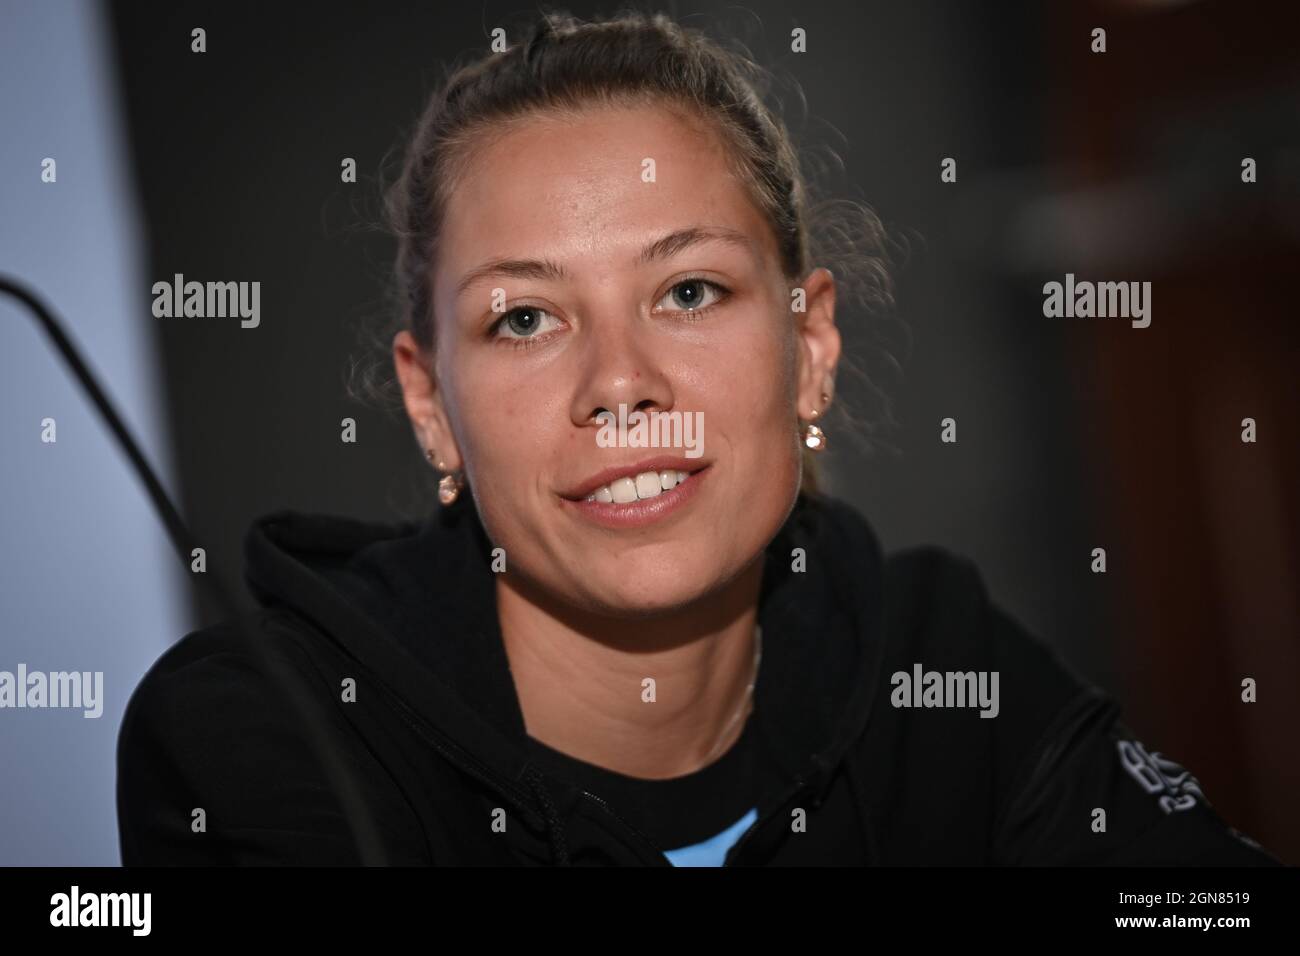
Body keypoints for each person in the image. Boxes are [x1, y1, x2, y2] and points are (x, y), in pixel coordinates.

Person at [116, 9, 1278, 866]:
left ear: (808, 344)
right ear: (431, 406)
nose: (621, 382)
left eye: (687, 292)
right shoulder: (264, 739)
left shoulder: (930, 657)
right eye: (524, 317)